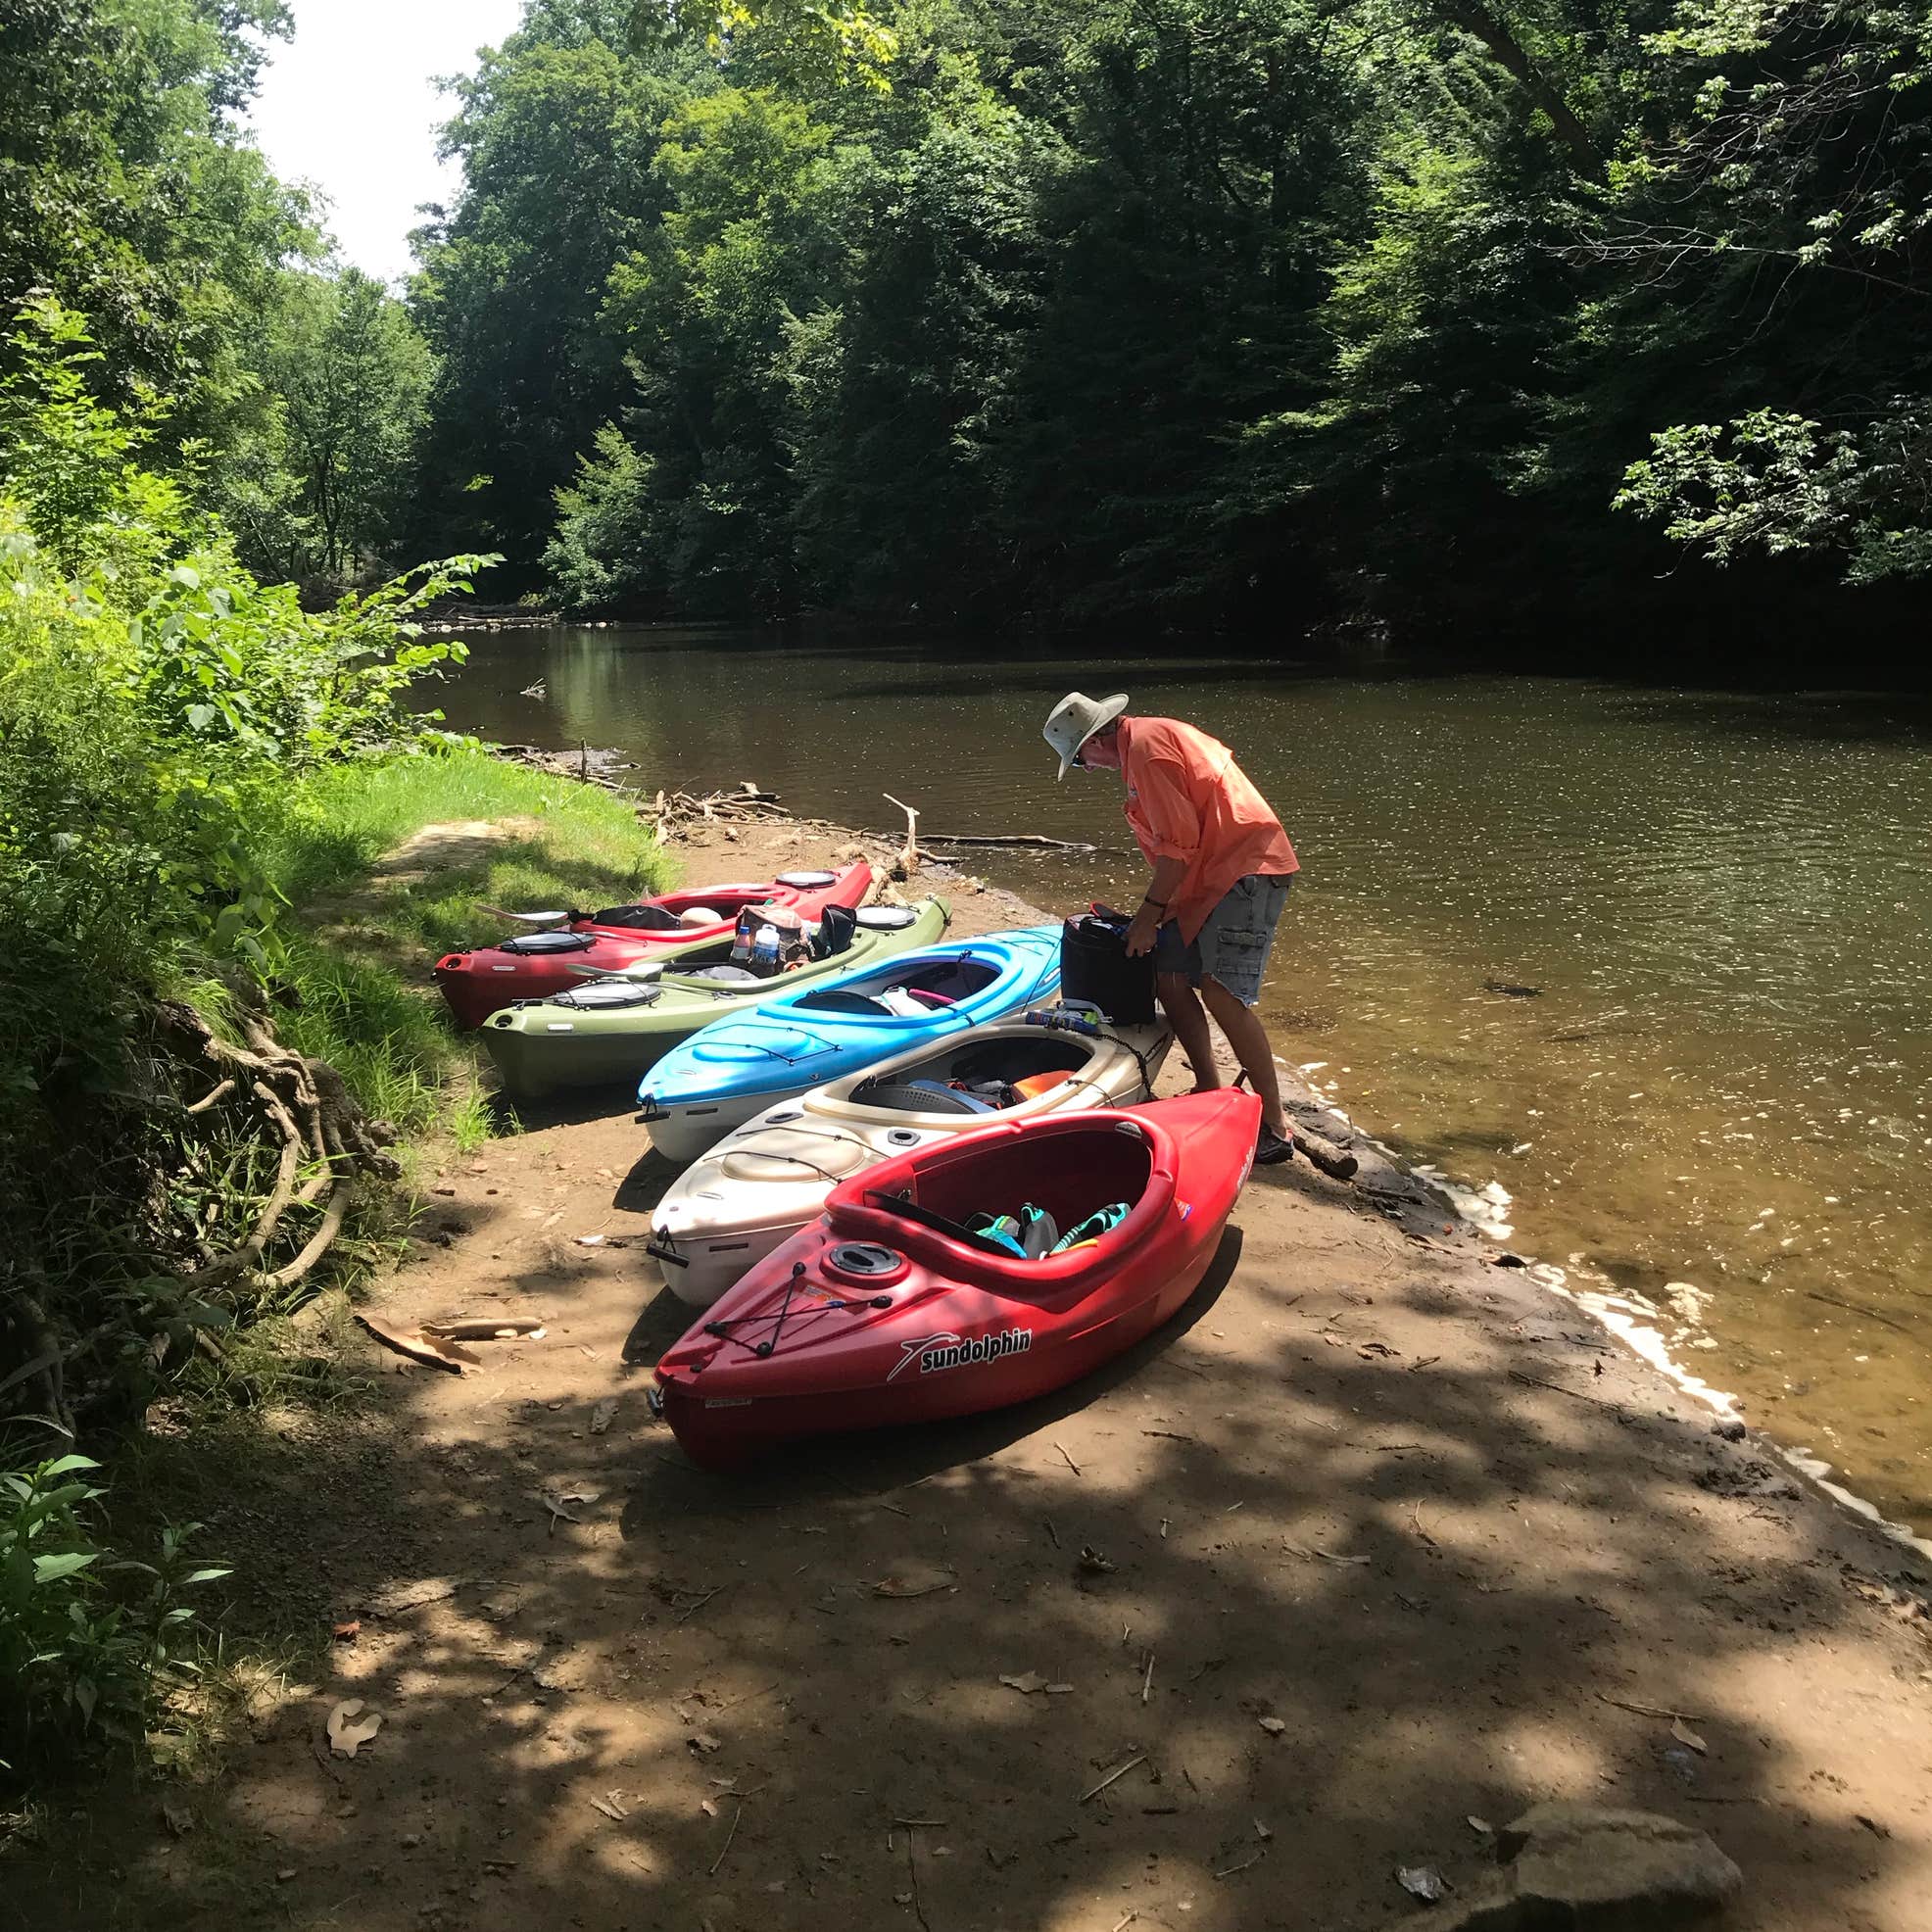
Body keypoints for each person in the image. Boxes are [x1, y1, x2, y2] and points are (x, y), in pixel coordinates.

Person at [1042, 691, 1356, 1178]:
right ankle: (1209, 1089)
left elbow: (1178, 847)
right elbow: (1183, 845)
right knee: (1168, 976)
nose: (1087, 769)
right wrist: (1158, 914)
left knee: (1222, 992)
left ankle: (1274, 1125)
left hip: (1243, 872)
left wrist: (1149, 915)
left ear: (1096, 740)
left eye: (1081, 760)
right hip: (1205, 879)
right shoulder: (1140, 745)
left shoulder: (1147, 749)